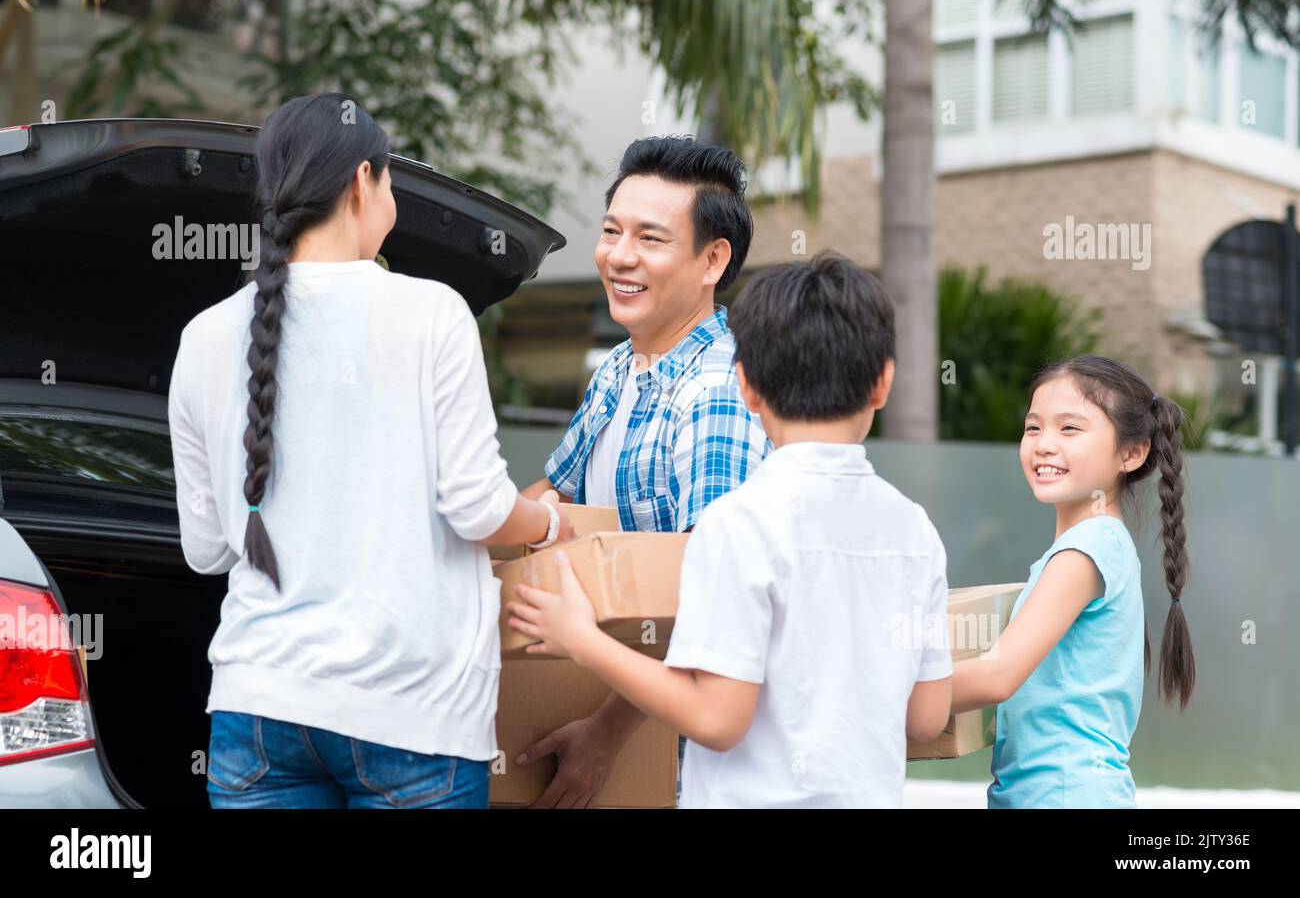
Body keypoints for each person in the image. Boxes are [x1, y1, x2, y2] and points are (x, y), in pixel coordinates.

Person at [167, 92, 573, 809]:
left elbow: (206, 550)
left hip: (257, 704)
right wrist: (547, 524)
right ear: (363, 180)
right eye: (389, 182)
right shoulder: (432, 313)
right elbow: (479, 508)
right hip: (410, 713)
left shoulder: (202, 335)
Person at [507, 251, 954, 807]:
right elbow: (928, 717)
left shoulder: (738, 524)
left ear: (745, 386)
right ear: (883, 383)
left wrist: (584, 640)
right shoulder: (915, 532)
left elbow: (717, 719)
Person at [514, 136, 773, 806]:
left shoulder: (717, 388)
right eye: (610, 231)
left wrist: (605, 734)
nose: (619, 256)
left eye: (650, 238)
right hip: (590, 695)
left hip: (674, 750)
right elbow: (550, 495)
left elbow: (708, 592)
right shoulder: (618, 369)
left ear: (713, 258)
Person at [950, 355, 1196, 807]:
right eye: (1033, 427)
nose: (1044, 444)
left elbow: (998, 675)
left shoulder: (1087, 550)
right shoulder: (1099, 544)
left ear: (1132, 452)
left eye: (1069, 429)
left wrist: (877, 684)